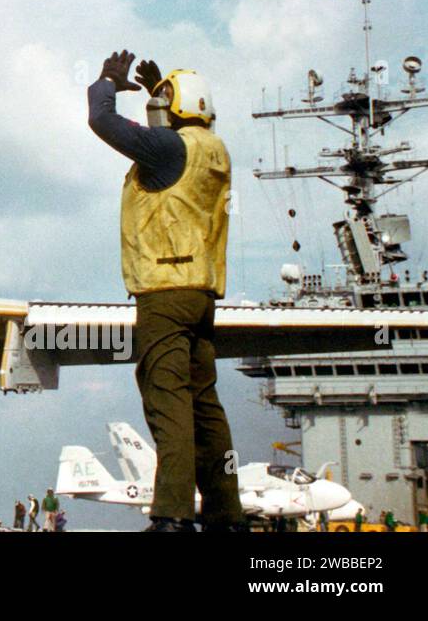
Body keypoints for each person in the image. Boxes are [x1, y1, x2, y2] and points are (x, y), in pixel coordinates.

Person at [88, 50, 245, 534]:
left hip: (163, 292)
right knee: (206, 408)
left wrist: (106, 81)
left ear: (173, 111)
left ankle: (173, 515)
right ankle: (227, 515)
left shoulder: (168, 150)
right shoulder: (213, 149)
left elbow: (102, 120)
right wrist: (162, 97)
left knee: (167, 401)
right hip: (201, 293)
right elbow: (172, 139)